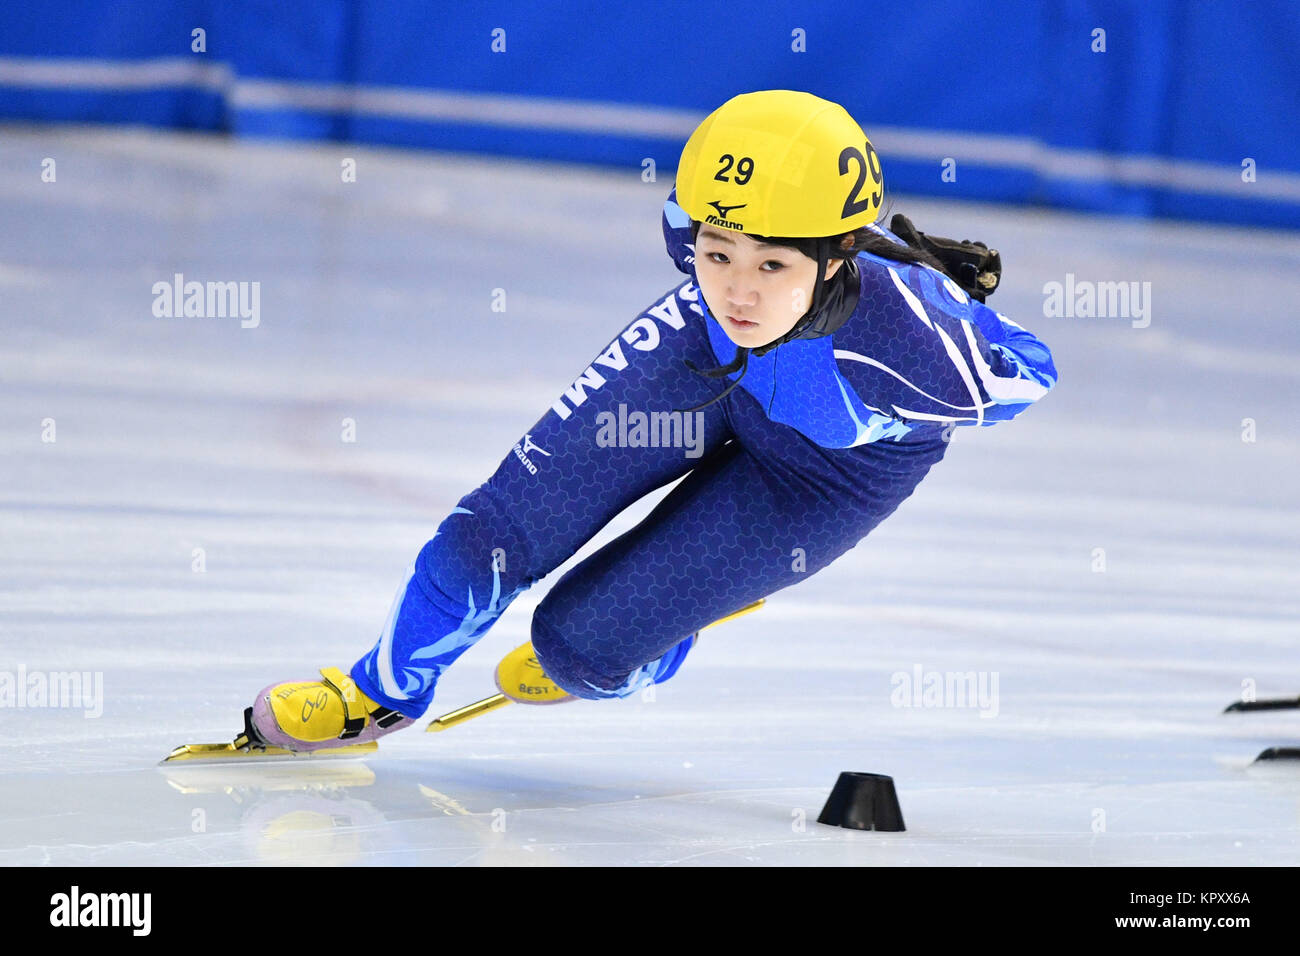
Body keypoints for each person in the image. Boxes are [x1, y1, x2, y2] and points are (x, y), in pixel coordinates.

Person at [241, 89, 1058, 753]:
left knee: (576, 652)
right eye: (718, 253)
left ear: (841, 253)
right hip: (702, 369)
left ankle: (654, 636)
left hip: (822, 475)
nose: (738, 290)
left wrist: (940, 315)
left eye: (773, 264)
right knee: (493, 532)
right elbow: (719, 271)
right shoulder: (693, 252)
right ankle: (377, 694)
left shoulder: (916, 343)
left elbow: (1031, 370)